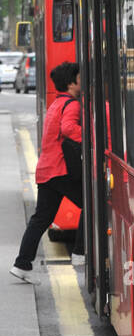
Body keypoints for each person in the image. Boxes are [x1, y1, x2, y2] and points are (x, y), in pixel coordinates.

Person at [10, 61, 84, 283]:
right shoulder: (72, 105)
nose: (82, 81)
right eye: (79, 77)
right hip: (59, 170)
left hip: (46, 170)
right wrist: (92, 137)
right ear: (72, 83)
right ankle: (80, 254)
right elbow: (68, 129)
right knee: (90, 204)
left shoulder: (56, 104)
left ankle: (21, 265)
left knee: (41, 219)